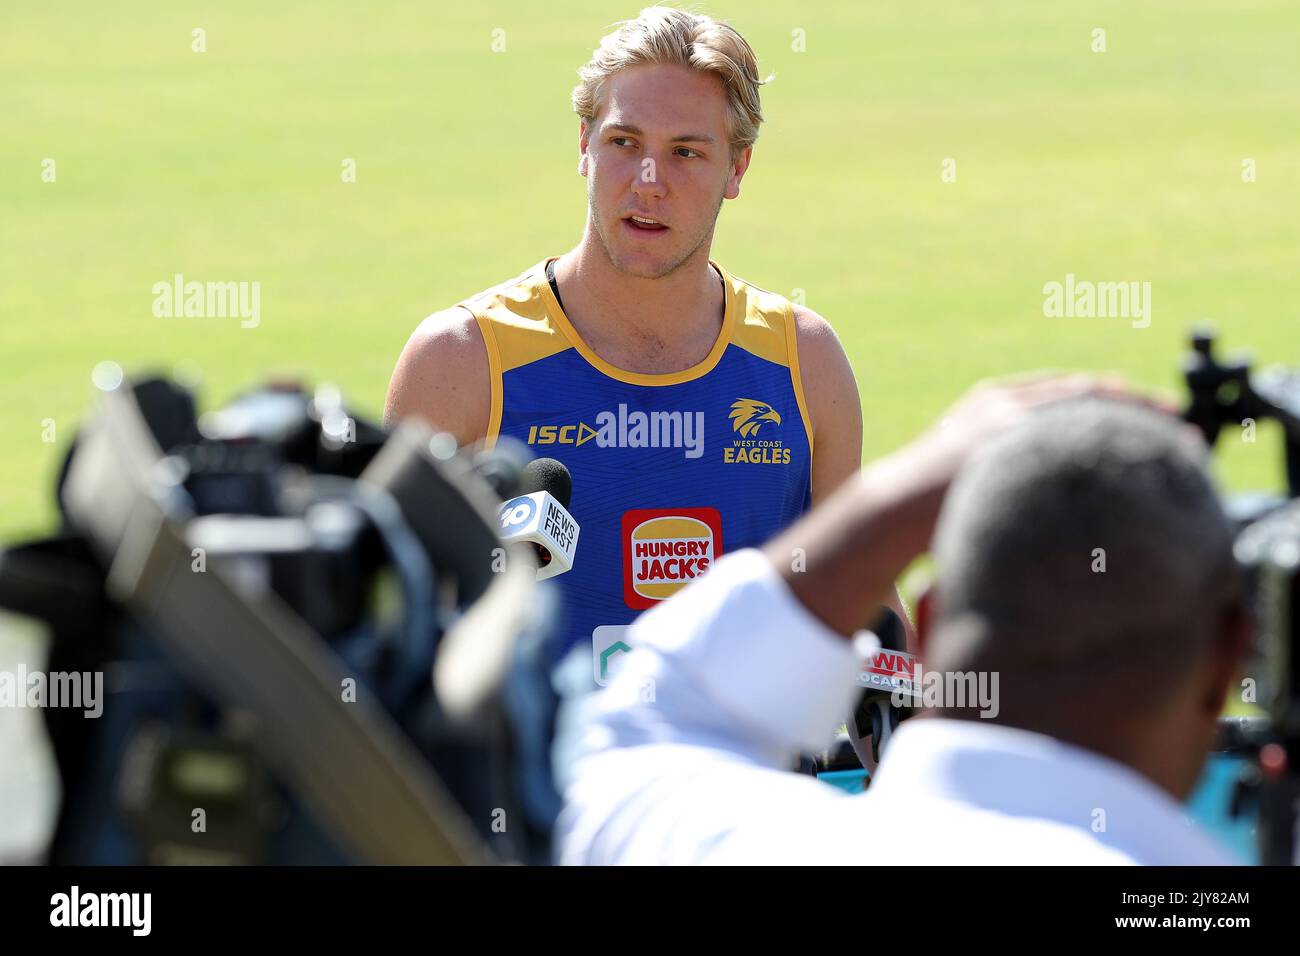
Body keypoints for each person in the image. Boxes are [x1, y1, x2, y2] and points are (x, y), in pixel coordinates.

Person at [384, 6, 907, 674]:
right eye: (624, 142)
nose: (648, 182)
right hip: (540, 776)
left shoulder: (804, 360)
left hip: (743, 775)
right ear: (583, 144)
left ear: (739, 169)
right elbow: (392, 622)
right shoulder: (460, 361)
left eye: (685, 152)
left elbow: (862, 604)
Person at [556, 376, 1251, 864]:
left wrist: (903, 490)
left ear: (926, 619)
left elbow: (651, 724)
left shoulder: (723, 843)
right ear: (1230, 661)